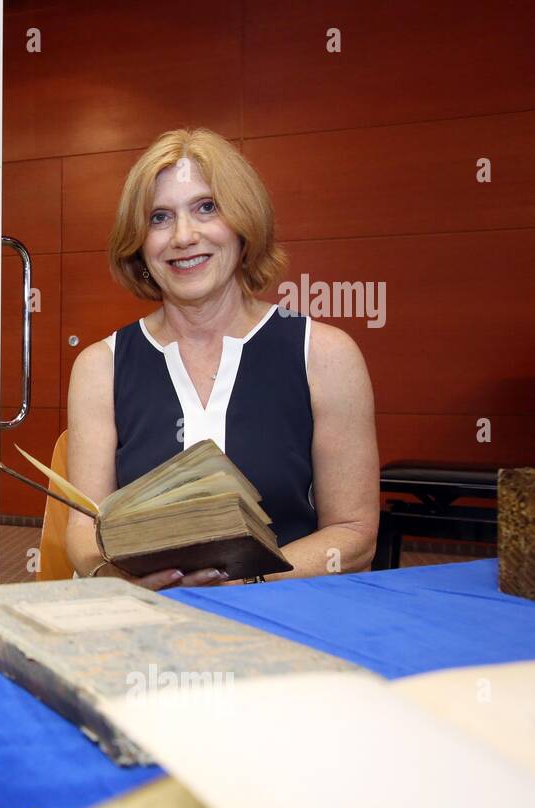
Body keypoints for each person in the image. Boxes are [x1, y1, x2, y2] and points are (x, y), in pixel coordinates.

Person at [66, 128, 378, 588]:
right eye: (159, 218)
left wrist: (249, 585)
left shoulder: (325, 354)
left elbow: (354, 535)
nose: (183, 236)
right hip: (146, 621)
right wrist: (119, 582)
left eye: (206, 208)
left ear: (243, 220)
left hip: (288, 619)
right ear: (138, 242)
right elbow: (83, 530)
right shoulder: (98, 366)